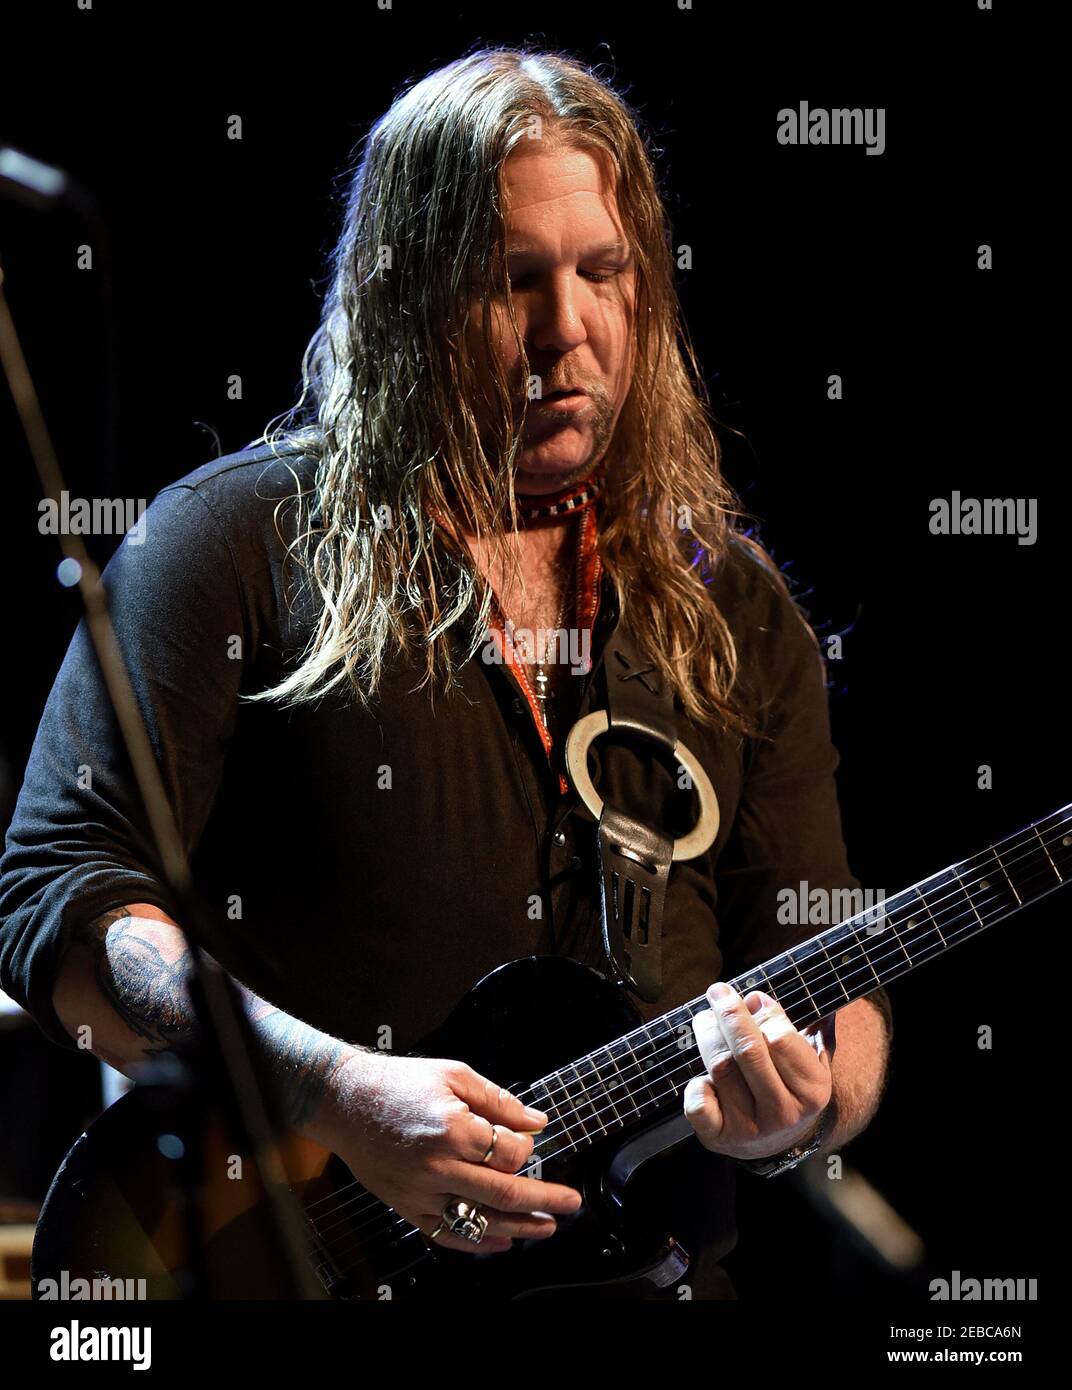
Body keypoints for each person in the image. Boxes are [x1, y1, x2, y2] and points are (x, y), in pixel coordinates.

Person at [0, 48, 891, 1299]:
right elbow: (59, 898)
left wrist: (805, 1105)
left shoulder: (728, 607)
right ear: (402, 295)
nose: (566, 329)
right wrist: (335, 1089)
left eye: (602, 273)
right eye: (510, 281)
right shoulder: (237, 542)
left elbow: (820, 955)